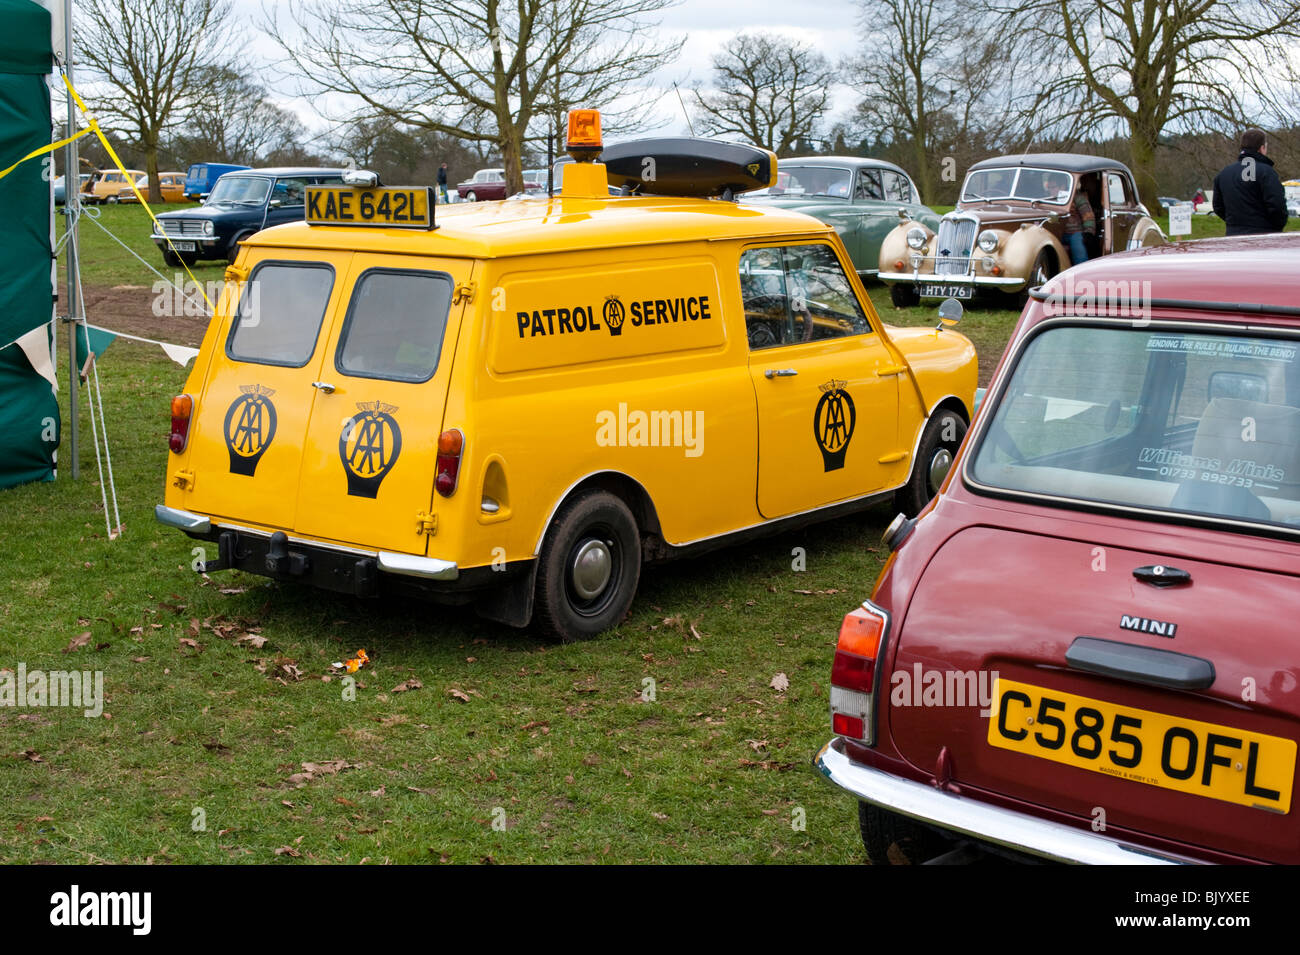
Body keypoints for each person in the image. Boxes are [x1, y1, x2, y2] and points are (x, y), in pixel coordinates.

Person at [1212, 129, 1287, 235]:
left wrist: (1235, 224)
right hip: (1264, 235)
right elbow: (1277, 205)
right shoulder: (1266, 172)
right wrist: (1275, 226)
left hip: (1233, 235)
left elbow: (1218, 206)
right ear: (1262, 148)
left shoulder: (1223, 174)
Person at [1062, 181, 1097, 266]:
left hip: (1074, 233)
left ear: (1062, 186)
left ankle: (1081, 267)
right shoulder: (1044, 199)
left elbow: (1088, 216)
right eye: (1049, 187)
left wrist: (1088, 233)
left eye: (1054, 187)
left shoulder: (1078, 198)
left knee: (1077, 240)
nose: (1051, 190)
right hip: (1057, 233)